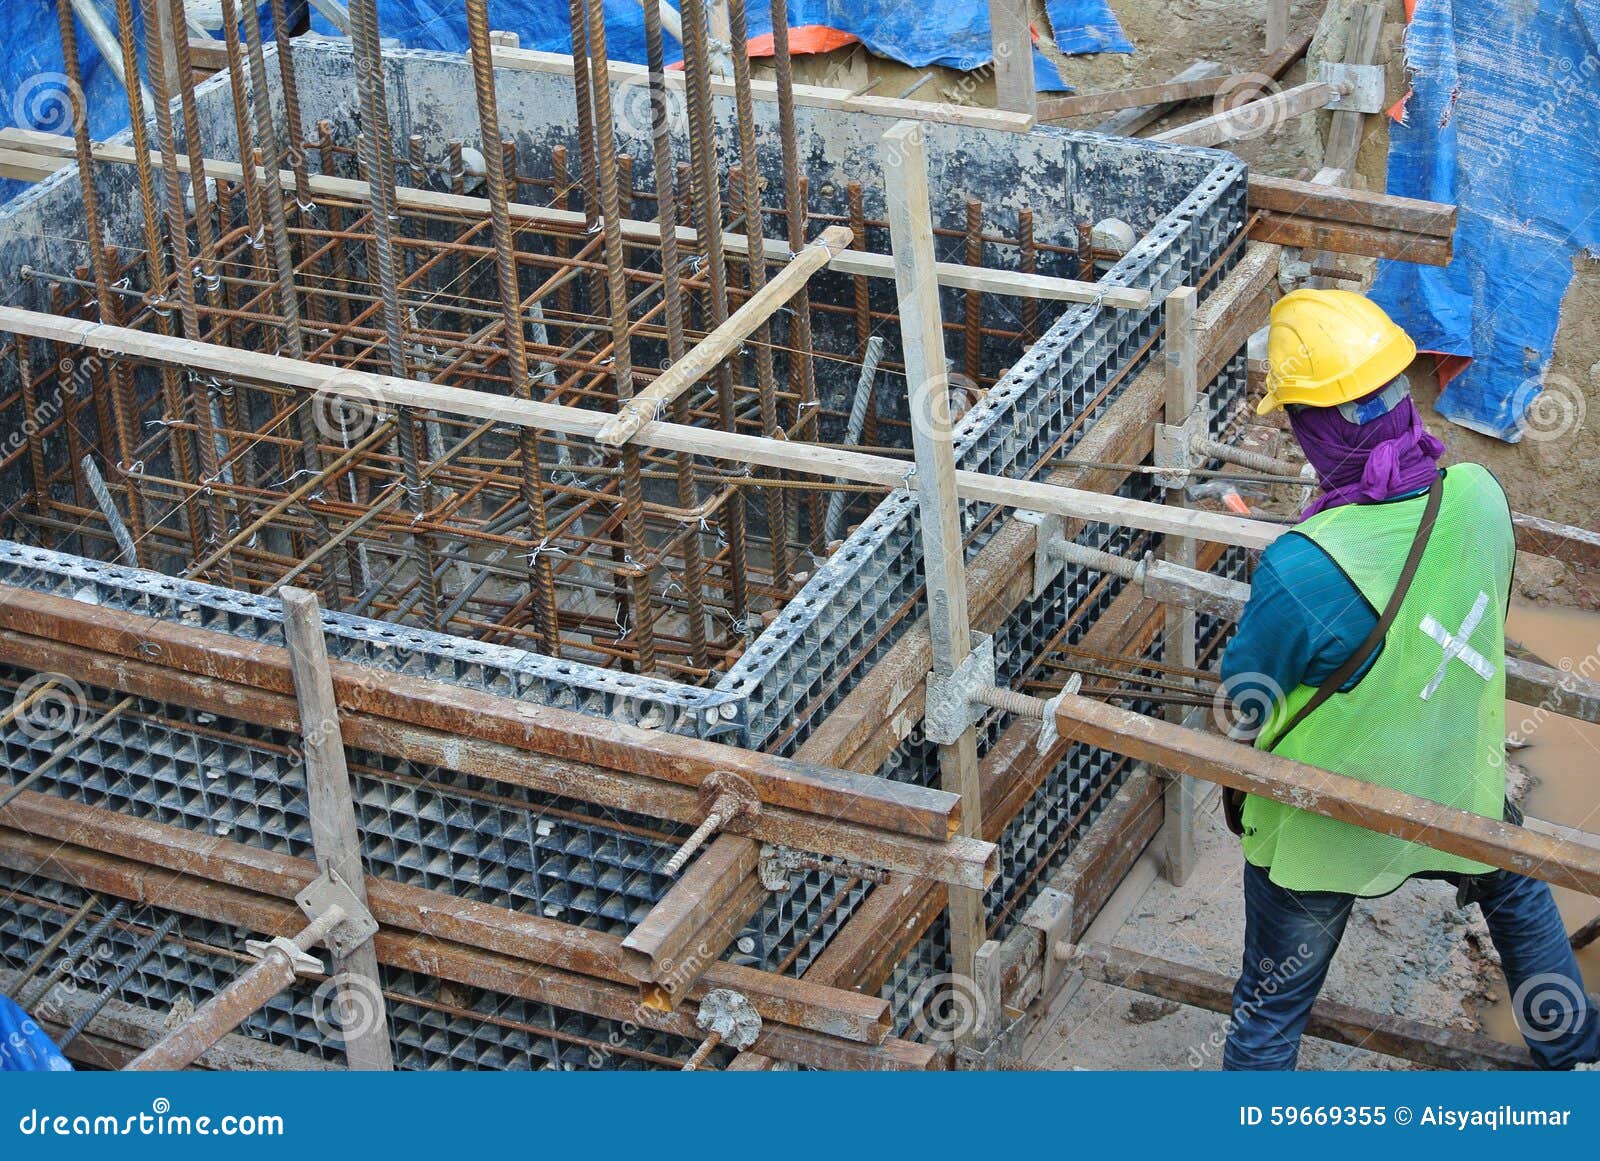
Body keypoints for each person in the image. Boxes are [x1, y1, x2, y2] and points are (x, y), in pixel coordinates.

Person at [1217, 288, 1598, 1071]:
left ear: (1315, 428)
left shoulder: (1303, 564)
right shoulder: (1480, 497)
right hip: (1457, 775)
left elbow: (1240, 706)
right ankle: (1572, 1045)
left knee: (1270, 1008)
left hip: (1331, 814)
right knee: (1512, 877)